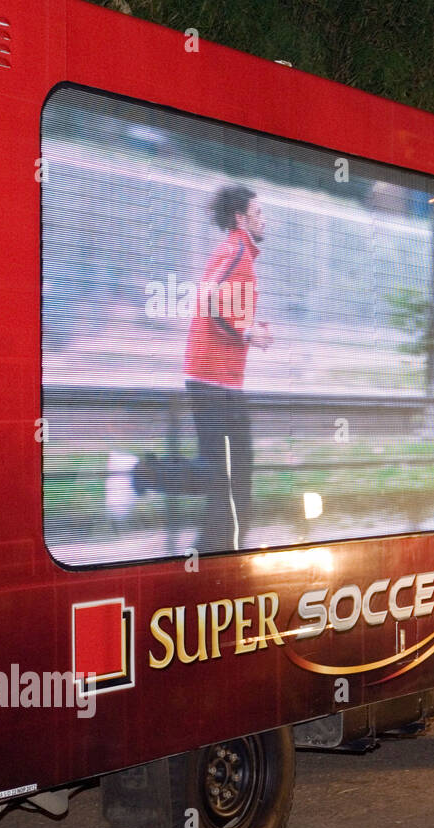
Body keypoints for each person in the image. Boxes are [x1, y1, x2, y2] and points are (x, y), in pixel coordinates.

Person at [128, 184, 273, 552]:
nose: (265, 220)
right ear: (241, 218)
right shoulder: (239, 250)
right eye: (259, 214)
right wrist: (246, 332)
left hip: (212, 378)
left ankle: (213, 546)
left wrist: (248, 329)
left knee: (226, 474)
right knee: (229, 473)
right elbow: (211, 301)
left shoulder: (231, 251)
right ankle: (145, 475)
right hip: (215, 381)